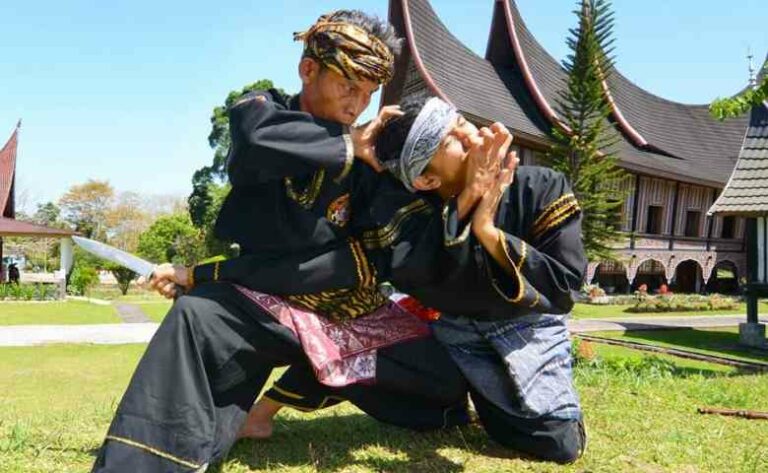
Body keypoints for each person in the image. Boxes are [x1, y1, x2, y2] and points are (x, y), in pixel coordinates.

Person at [92, 11, 470, 473]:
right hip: (262, 304)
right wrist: (349, 144)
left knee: (444, 389)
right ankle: (151, 461)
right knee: (197, 316)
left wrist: (466, 195)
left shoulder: (370, 159)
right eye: (348, 87)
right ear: (308, 69)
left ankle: (283, 399)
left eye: (368, 95)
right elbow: (254, 143)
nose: (357, 105)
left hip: (347, 314)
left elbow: (351, 265)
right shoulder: (261, 112)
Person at [235, 96, 589, 463]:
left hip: (527, 329)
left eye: (462, 121)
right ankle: (260, 416)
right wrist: (467, 202)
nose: (471, 136)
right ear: (425, 178)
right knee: (355, 343)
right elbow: (436, 275)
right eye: (449, 139)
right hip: (456, 340)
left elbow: (562, 289)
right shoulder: (407, 226)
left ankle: (495, 406)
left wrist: (486, 229)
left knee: (557, 444)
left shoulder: (542, 186)